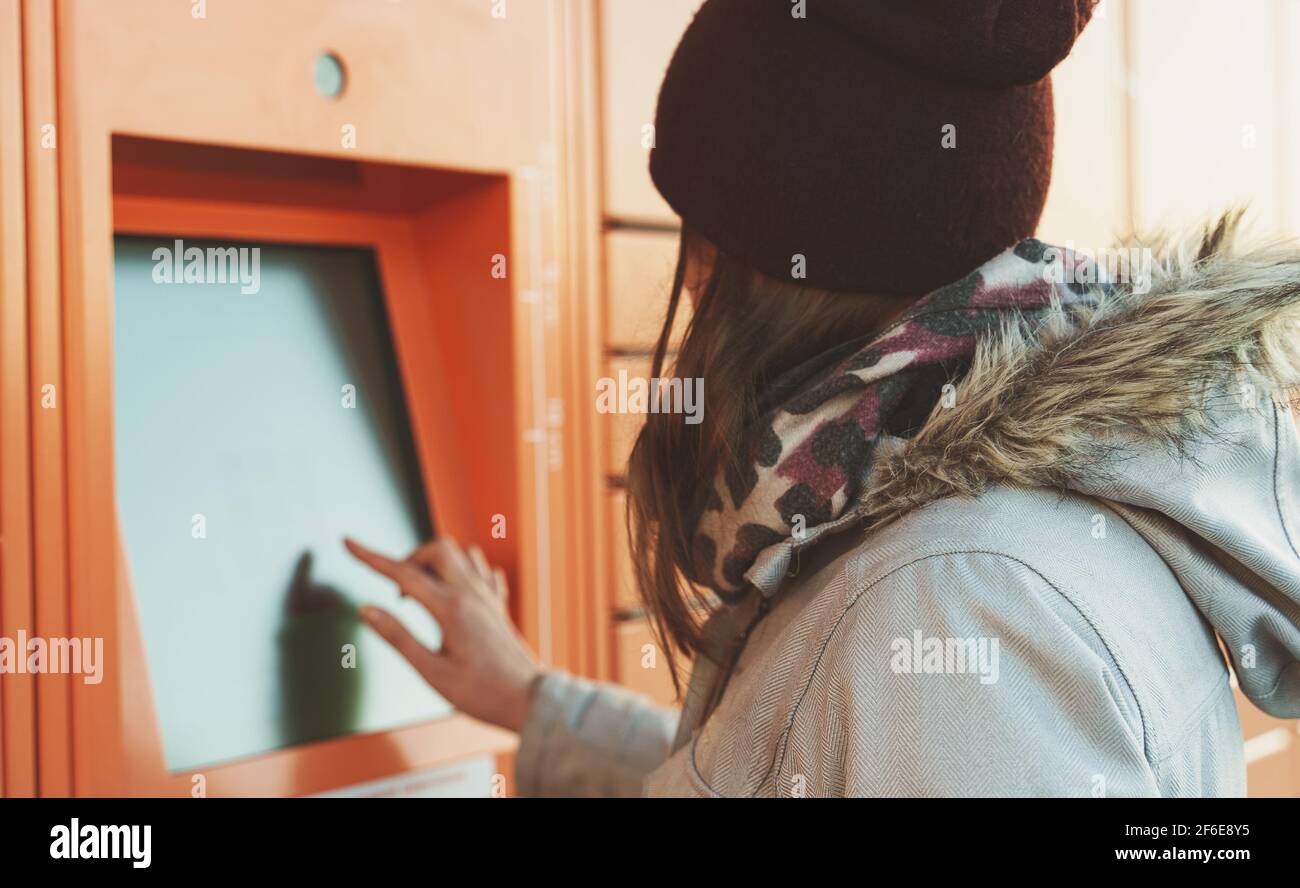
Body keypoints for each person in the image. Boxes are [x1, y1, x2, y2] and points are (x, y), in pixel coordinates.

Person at [347, 0, 1300, 796]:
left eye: (703, 246)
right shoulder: (970, 546)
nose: (688, 287)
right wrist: (539, 706)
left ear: (747, 276)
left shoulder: (951, 606)